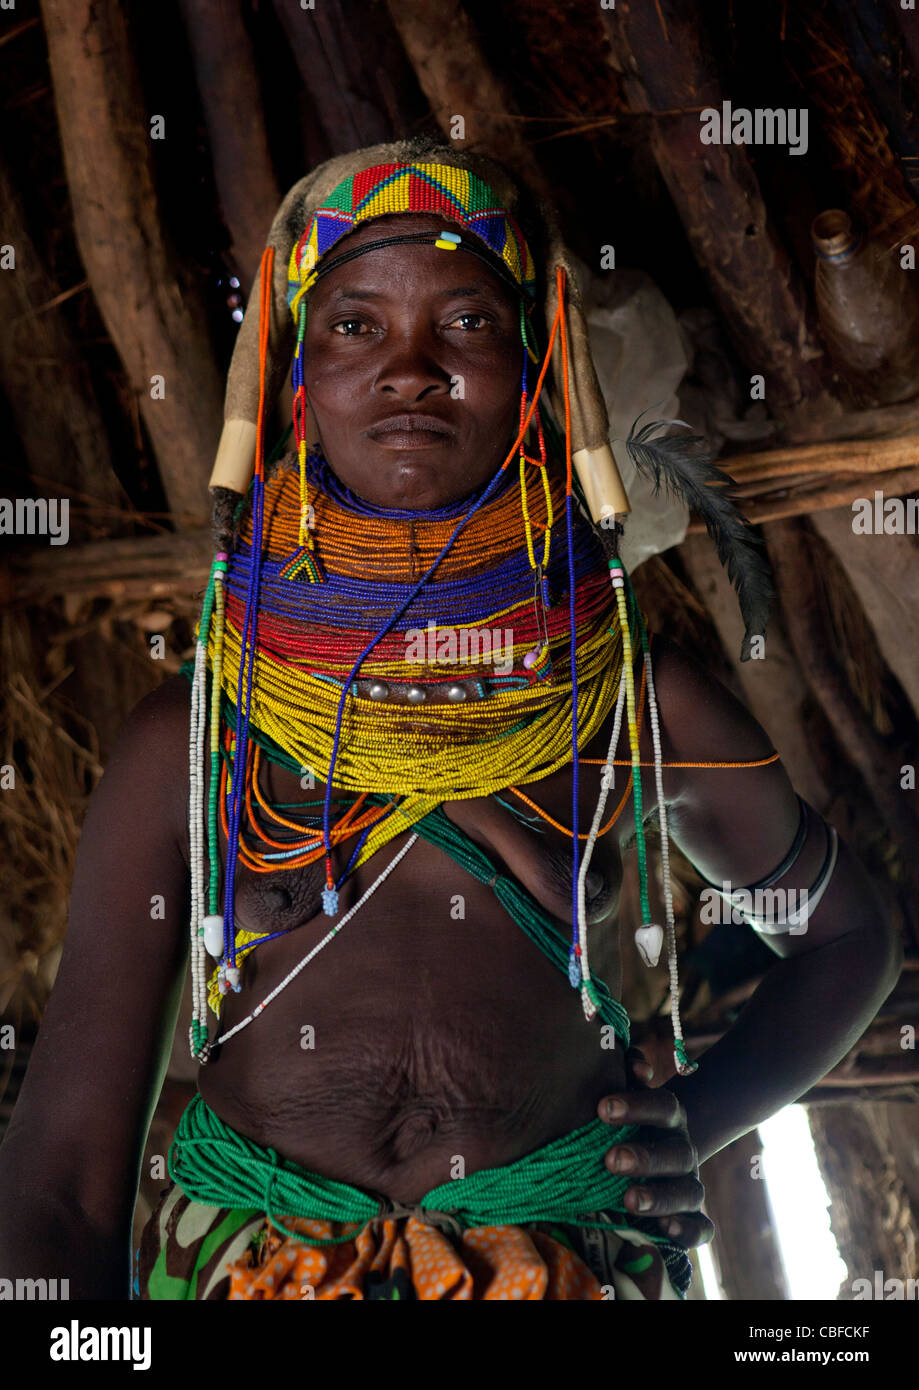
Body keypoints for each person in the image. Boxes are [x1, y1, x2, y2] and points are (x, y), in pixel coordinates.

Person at [0, 139, 901, 1302]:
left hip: (564, 1262)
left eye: (467, 324)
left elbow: (845, 935)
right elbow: (63, 1174)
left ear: (534, 371)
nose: (410, 369)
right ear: (296, 378)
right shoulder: (197, 734)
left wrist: (696, 1116)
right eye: (354, 326)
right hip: (245, 1275)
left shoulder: (631, 697)